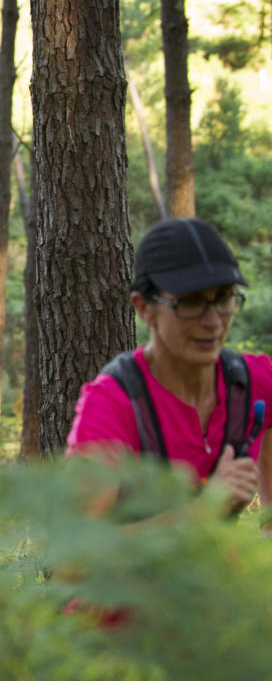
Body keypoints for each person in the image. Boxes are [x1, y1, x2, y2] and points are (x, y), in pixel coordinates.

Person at [67, 217, 272, 515]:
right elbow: (75, 556)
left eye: (223, 299)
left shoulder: (254, 384)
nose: (213, 321)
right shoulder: (113, 405)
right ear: (144, 308)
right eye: (190, 302)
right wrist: (203, 510)